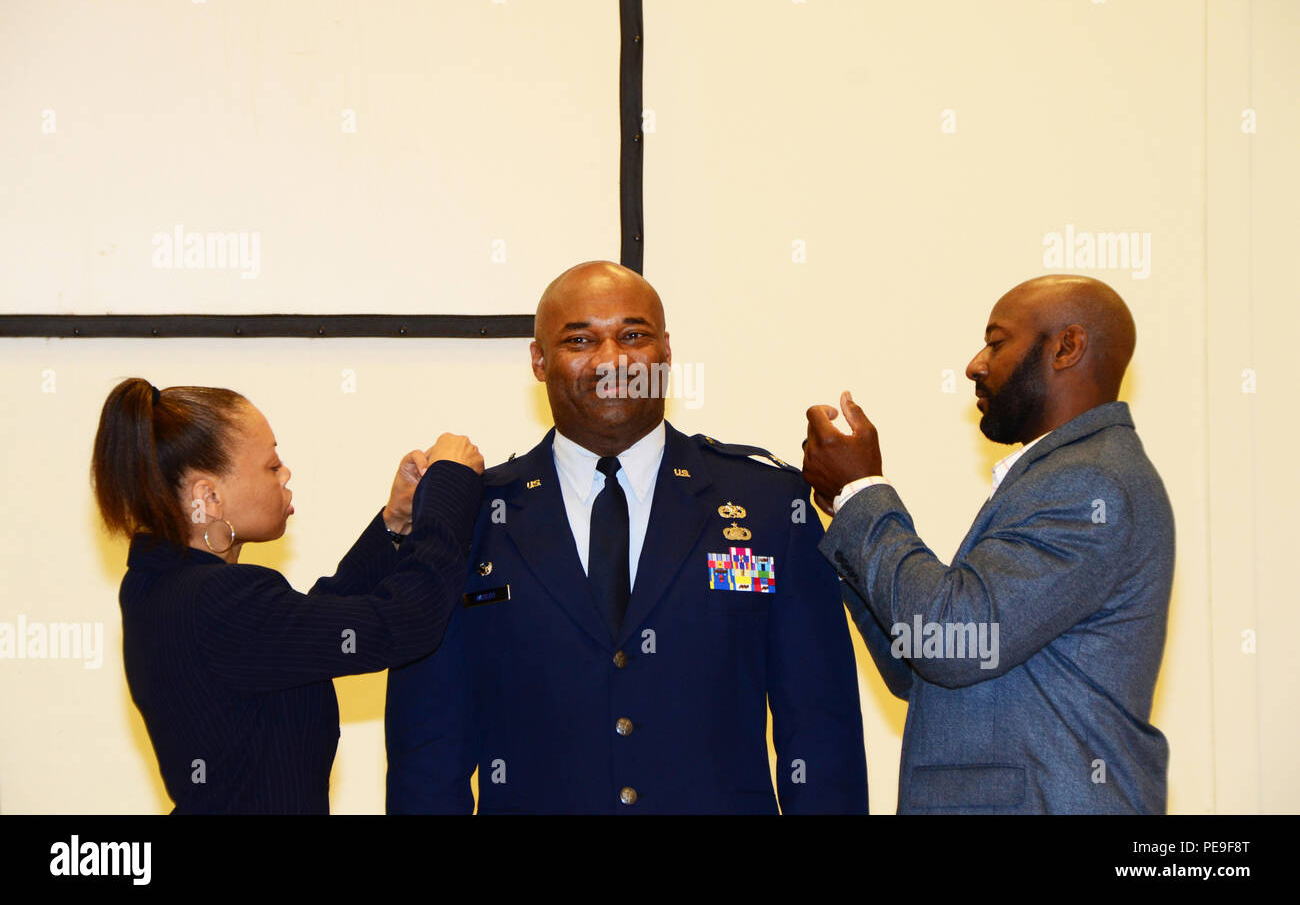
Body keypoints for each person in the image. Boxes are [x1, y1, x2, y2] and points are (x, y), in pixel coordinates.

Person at [385, 261, 867, 814]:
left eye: (633, 336)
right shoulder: (472, 518)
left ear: (666, 353)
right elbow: (428, 753)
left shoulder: (768, 508)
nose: (613, 360)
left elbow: (821, 736)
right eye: (580, 340)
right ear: (539, 362)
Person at [802, 274, 1174, 814]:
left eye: (996, 343)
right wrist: (849, 511)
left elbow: (957, 636)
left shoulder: (1090, 482)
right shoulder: (1061, 475)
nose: (975, 364)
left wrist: (865, 490)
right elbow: (930, 659)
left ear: (1066, 347)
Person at [91, 377, 484, 813]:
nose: (286, 473)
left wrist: (396, 522)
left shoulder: (157, 583)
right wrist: (450, 487)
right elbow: (404, 621)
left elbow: (313, 625)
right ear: (209, 496)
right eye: (271, 465)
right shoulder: (218, 600)